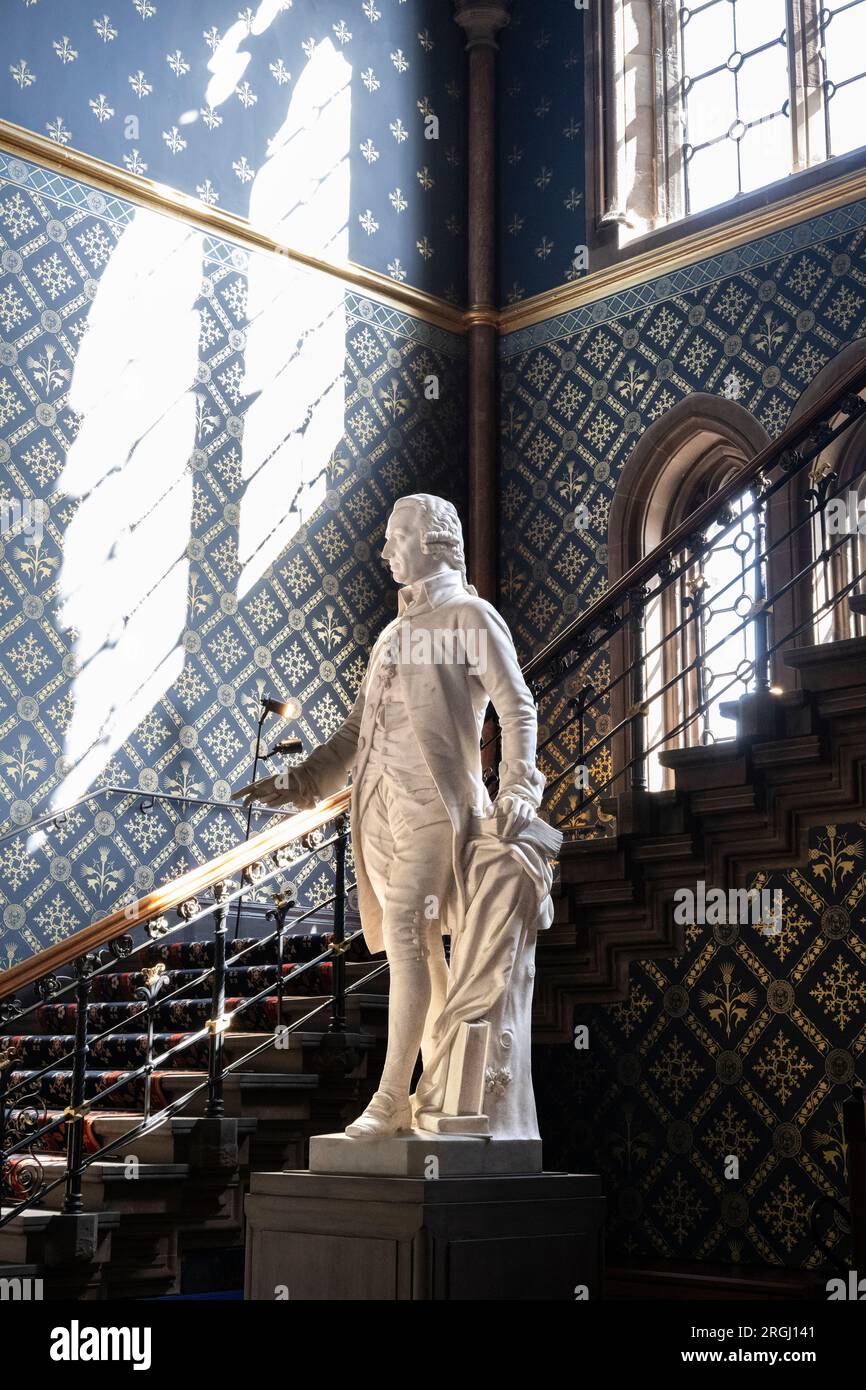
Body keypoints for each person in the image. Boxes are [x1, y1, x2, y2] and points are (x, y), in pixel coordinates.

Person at [233, 494, 544, 1137]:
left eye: (395, 537)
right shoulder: (392, 634)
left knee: (406, 932)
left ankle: (389, 1097)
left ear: (432, 539)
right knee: (419, 957)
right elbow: (356, 732)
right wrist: (302, 780)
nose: (384, 550)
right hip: (376, 814)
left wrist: (517, 786)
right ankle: (437, 1094)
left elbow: (517, 708)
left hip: (436, 806)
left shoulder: (471, 617)